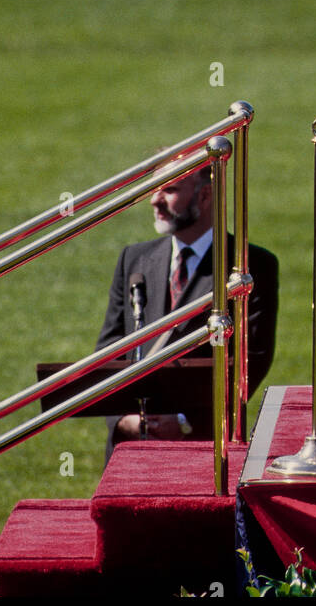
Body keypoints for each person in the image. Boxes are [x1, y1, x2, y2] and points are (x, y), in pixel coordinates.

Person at [96, 162, 278, 461]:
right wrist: (120, 418)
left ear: (205, 196)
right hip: (130, 448)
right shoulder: (134, 259)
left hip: (205, 448)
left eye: (169, 190)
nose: (155, 200)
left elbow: (250, 362)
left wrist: (183, 421)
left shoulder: (250, 265)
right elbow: (109, 349)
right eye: (153, 190)